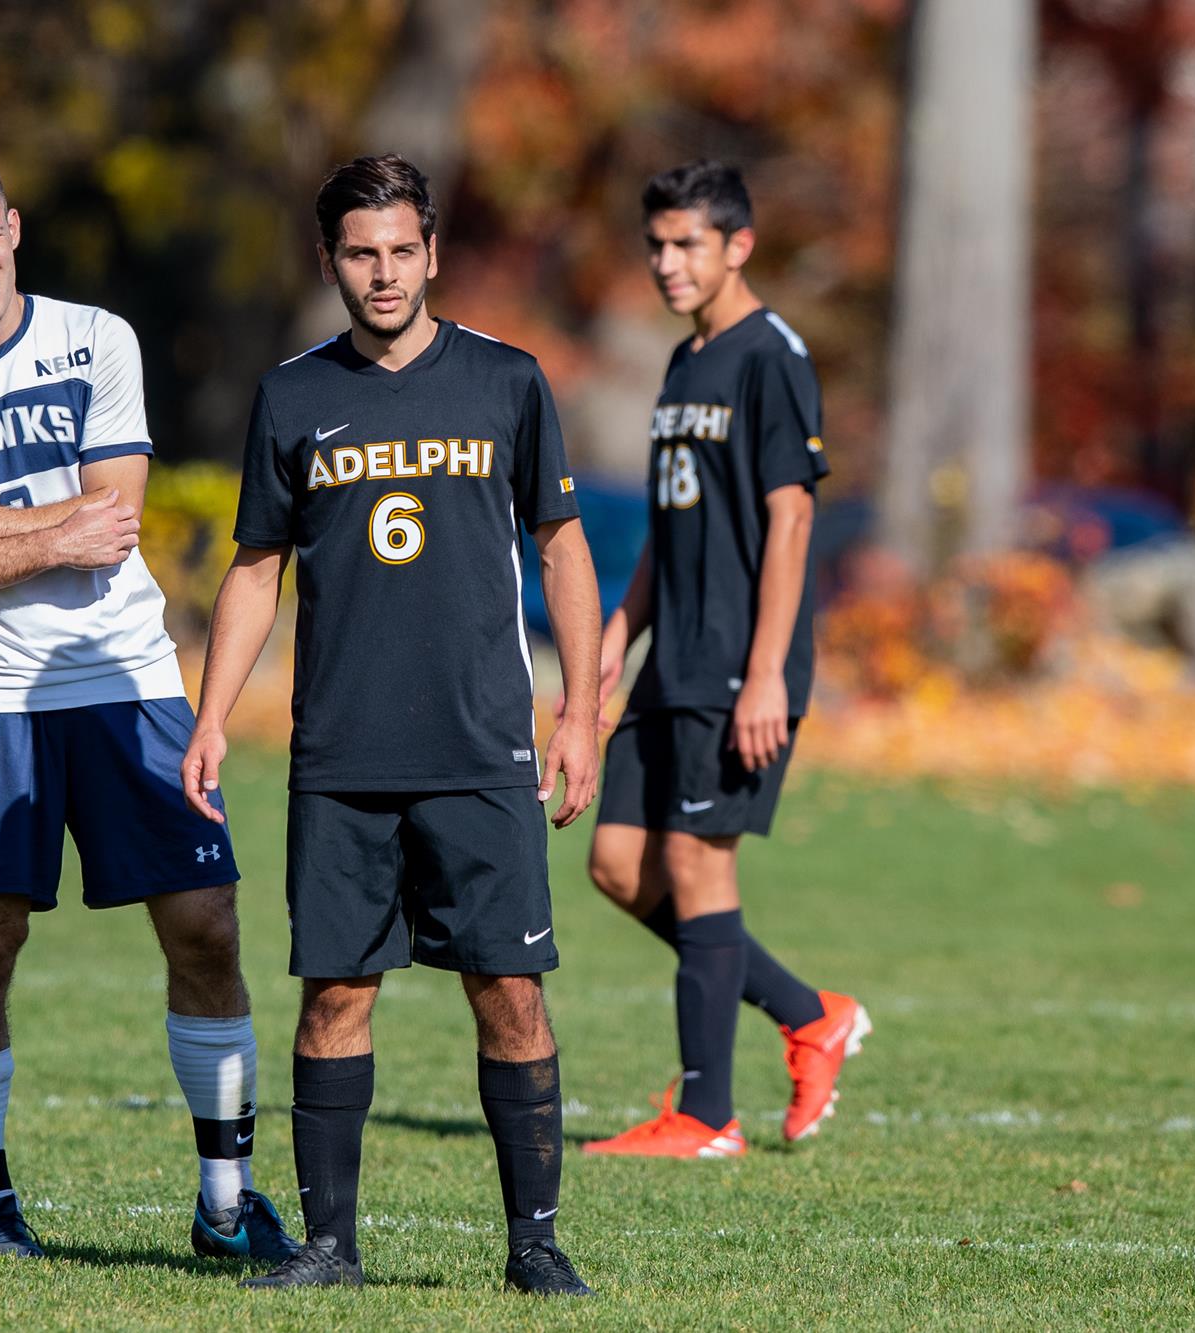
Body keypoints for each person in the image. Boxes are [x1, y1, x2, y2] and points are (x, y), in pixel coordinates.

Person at [0, 148, 299, 1264]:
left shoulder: (95, 338)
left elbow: (112, 521)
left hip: (127, 680)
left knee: (204, 925)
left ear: (15, 230)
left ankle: (226, 1202)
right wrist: (41, 535)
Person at [181, 154, 601, 1297]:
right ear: (329, 262)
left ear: (431, 253)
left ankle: (533, 1244)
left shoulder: (506, 382)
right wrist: (211, 715)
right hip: (340, 757)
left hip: (479, 753)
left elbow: (563, 550)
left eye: (400, 250)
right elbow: (256, 568)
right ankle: (329, 1247)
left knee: (509, 991)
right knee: (334, 992)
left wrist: (583, 715)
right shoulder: (293, 395)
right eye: (358, 253)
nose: (381, 272)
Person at [581, 161, 869, 1161]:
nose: (665, 262)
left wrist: (764, 674)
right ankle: (807, 1012)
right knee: (617, 866)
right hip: (672, 658)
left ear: (736, 246)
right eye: (655, 244)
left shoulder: (769, 357)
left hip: (741, 665)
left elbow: (790, 521)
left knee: (698, 868)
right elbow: (668, 528)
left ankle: (705, 1116)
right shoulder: (680, 363)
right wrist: (620, 631)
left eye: (686, 244)